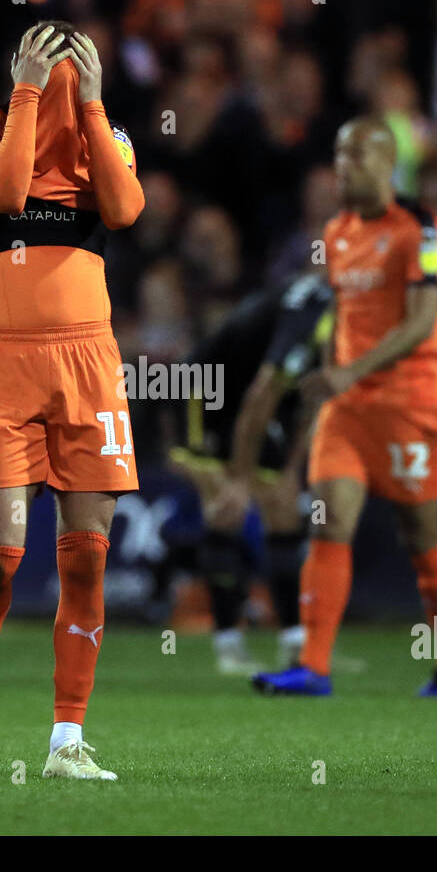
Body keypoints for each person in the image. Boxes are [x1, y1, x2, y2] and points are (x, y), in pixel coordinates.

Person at [0, 22, 144, 780]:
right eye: (45, 59)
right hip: (6, 365)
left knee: (87, 557)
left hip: (90, 362)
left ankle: (67, 741)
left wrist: (89, 105)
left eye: (76, 58)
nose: (62, 69)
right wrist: (27, 94)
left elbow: (123, 211)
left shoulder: (107, 134)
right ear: (18, 65)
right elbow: (10, 190)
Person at [252, 116, 437, 698]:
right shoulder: (338, 231)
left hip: (410, 403)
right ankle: (313, 667)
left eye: (354, 155)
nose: (341, 166)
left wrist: (350, 369)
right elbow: (341, 322)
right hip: (348, 408)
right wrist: (326, 376)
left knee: (421, 533)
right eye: (338, 154)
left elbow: (422, 321)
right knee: (329, 522)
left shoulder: (422, 230)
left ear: (384, 161)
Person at [168, 269, 333, 675]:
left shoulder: (337, 309)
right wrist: (240, 481)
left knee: (282, 508)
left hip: (255, 396)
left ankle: (296, 647)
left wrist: (293, 466)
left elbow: (316, 394)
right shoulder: (312, 311)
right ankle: (228, 646)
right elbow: (262, 393)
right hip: (205, 387)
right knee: (226, 508)